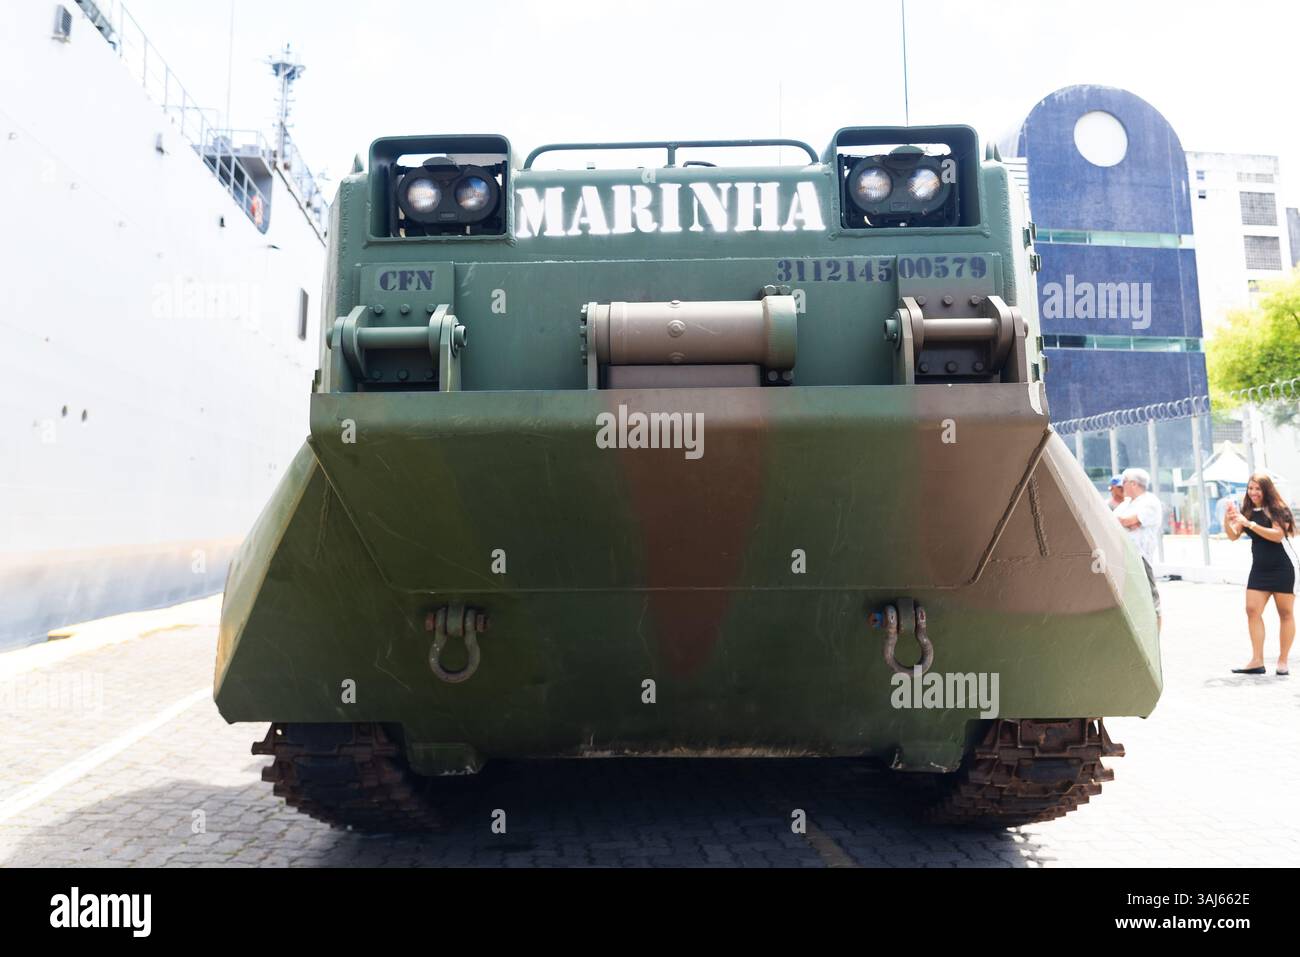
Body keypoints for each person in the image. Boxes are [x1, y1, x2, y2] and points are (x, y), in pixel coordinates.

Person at [1224, 473, 1296, 676]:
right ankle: (1257, 660)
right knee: (1252, 610)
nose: (1253, 492)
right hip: (1260, 569)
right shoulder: (1247, 510)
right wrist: (1228, 518)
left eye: (1257, 488)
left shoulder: (1278, 509)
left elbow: (1278, 535)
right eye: (1250, 488)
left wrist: (1250, 524)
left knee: (1285, 613)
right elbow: (1233, 535)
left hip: (1284, 566)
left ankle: (1282, 662)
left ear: (1266, 489)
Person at [1114, 467, 1162, 631]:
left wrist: (1122, 521)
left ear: (1133, 484)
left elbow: (1131, 522)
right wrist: (1123, 521)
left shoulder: (1150, 501)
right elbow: (1116, 521)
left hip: (1141, 557)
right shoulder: (1126, 504)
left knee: (1150, 598)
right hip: (1123, 557)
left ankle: (1155, 640)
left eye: (1124, 482)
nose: (1122, 486)